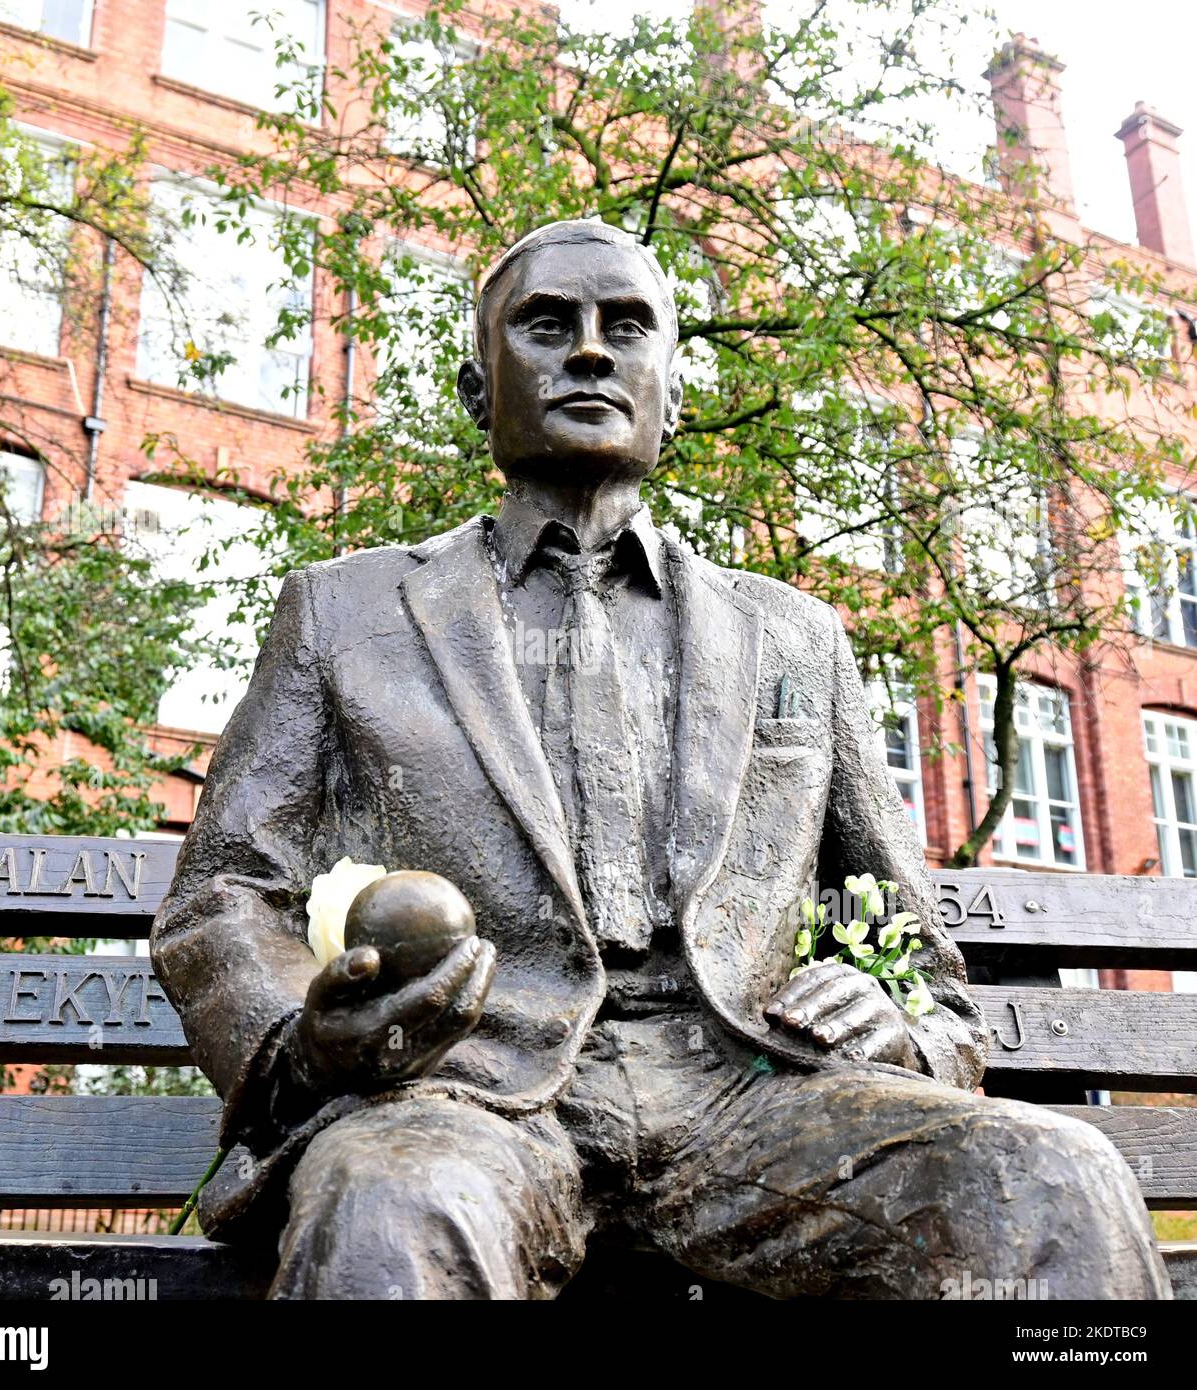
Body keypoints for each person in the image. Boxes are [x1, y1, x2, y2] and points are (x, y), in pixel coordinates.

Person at [151, 219, 1170, 1300]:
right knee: (391, 1197)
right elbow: (223, 891)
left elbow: (916, 958)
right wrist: (307, 1047)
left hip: (753, 1092)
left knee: (1053, 1173)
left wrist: (901, 1020)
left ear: (671, 396)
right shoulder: (343, 611)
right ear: (475, 389)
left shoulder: (795, 637)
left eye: (625, 327)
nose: (589, 352)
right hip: (464, 1094)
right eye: (546, 326)